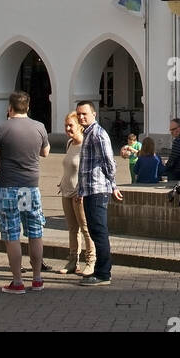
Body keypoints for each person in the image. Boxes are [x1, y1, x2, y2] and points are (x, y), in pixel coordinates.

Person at [0, 91, 50, 293]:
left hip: (8, 188)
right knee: (34, 232)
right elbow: (45, 152)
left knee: (12, 234)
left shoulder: (1, 129)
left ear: (9, 108)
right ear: (28, 107)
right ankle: (37, 279)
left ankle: (18, 281)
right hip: (30, 187)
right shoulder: (39, 127)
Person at [75, 99, 122, 285]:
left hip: (98, 189)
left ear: (94, 114)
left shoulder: (98, 134)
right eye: (78, 113)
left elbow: (109, 162)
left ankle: (104, 273)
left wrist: (113, 184)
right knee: (95, 231)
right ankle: (100, 270)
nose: (81, 117)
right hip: (89, 189)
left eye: (84, 113)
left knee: (99, 231)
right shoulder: (88, 133)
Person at [57, 111, 95, 276]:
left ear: (79, 126)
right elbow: (69, 167)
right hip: (66, 190)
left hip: (80, 193)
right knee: (72, 229)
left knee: (86, 228)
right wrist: (62, 181)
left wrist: (83, 188)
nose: (67, 128)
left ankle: (91, 261)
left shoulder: (86, 145)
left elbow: (89, 170)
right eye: (66, 125)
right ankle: (73, 261)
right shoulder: (69, 144)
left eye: (70, 125)